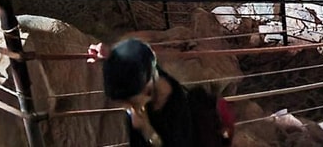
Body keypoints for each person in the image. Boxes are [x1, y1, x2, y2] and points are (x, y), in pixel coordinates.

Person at [100, 38, 233, 147]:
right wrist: (113, 58)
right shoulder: (150, 81)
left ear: (148, 90)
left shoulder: (177, 113)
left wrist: (147, 131)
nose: (127, 107)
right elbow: (142, 61)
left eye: (129, 102)